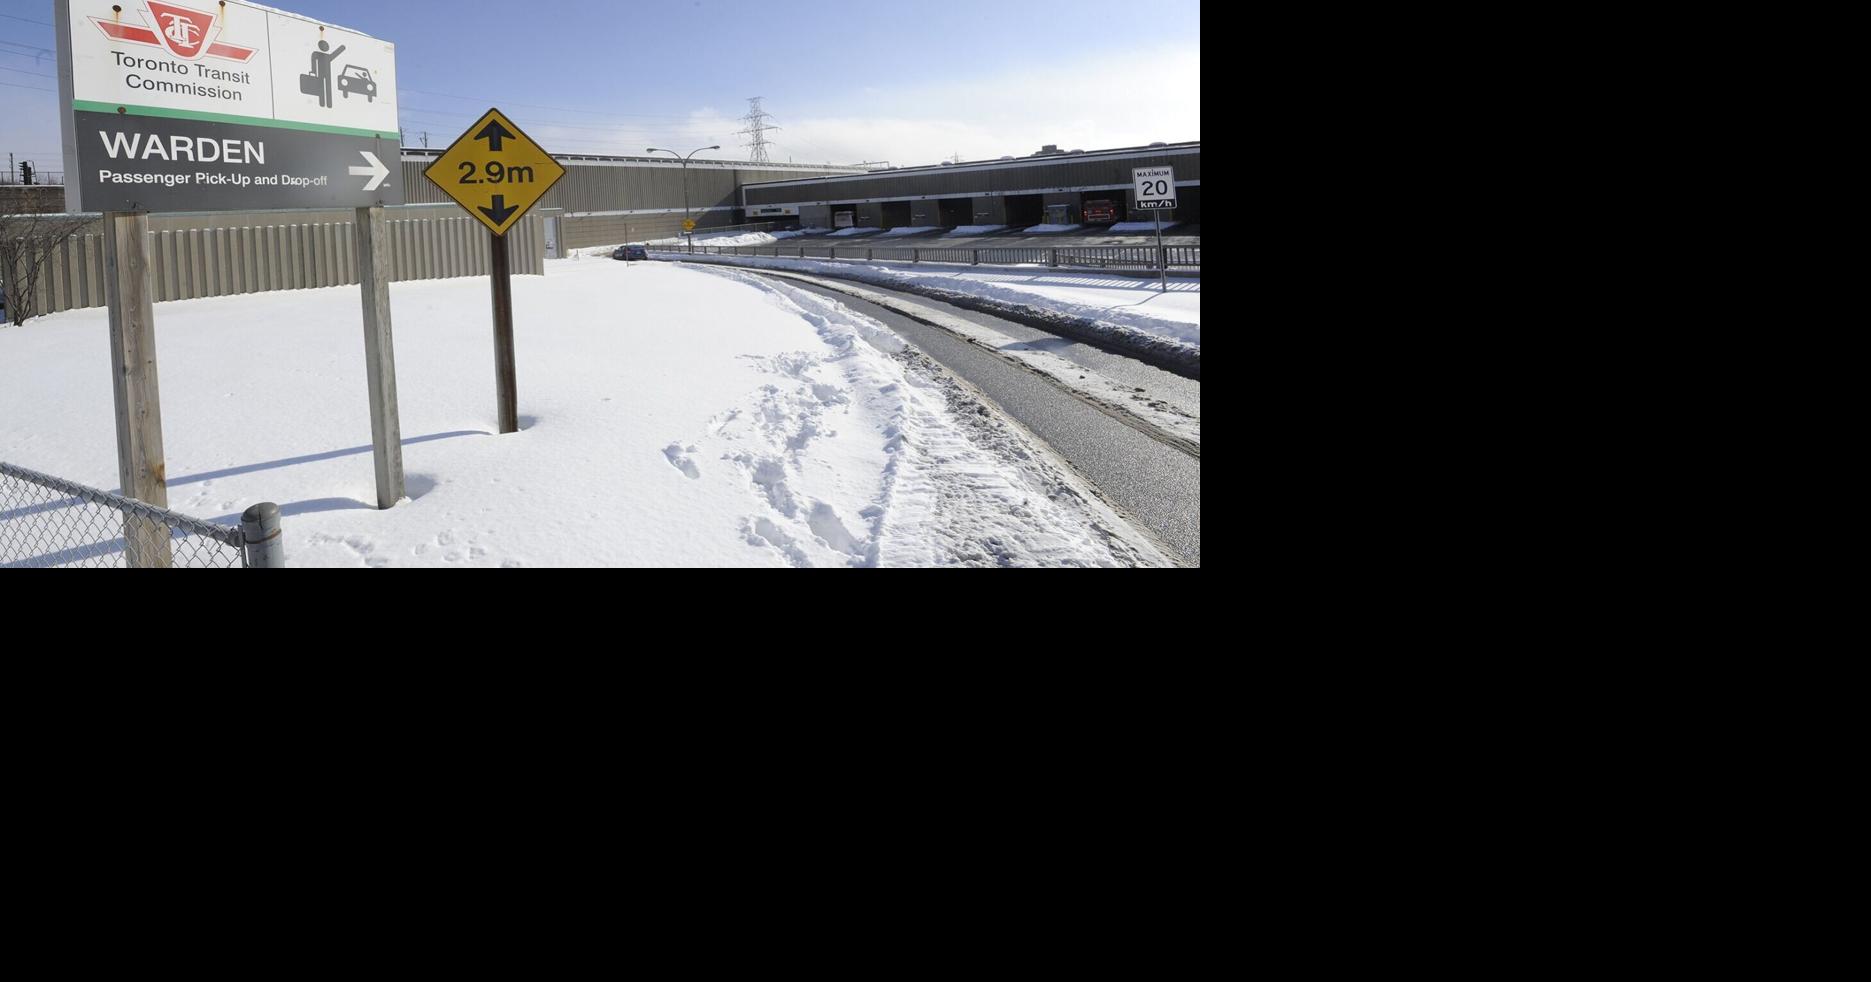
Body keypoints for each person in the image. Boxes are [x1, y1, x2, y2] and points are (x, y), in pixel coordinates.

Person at [309, 40, 345, 109]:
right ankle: (322, 103)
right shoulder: (315, 54)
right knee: (321, 89)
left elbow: (333, 55)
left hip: (328, 73)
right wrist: (313, 71)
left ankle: (329, 104)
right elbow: (313, 62)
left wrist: (341, 48)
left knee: (328, 88)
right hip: (320, 73)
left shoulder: (326, 56)